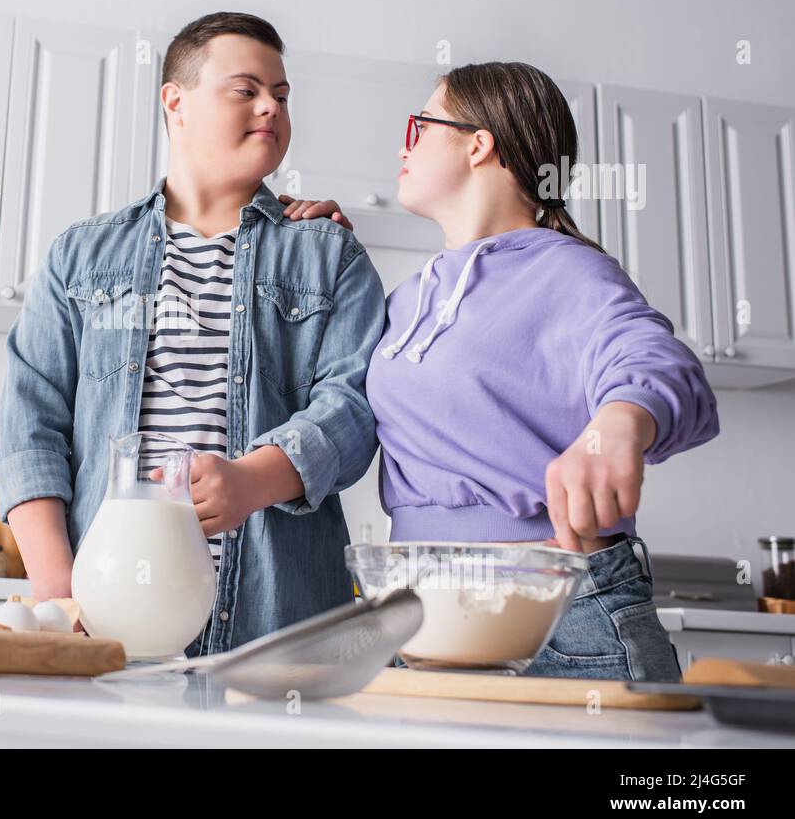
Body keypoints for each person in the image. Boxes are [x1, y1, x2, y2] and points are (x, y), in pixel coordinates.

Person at [281, 61, 720, 680]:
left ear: (478, 143)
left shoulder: (568, 272)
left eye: (420, 126)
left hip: (561, 621)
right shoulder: (409, 300)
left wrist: (617, 426)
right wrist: (315, 252)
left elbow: (656, 359)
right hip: (422, 620)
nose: (402, 146)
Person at [0, 12, 388, 656]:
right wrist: (60, 596)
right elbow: (28, 431)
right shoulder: (81, 257)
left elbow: (355, 409)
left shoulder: (328, 255)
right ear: (175, 102)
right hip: (105, 618)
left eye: (281, 96)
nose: (270, 108)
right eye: (246, 89)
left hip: (277, 623)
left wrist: (250, 482)